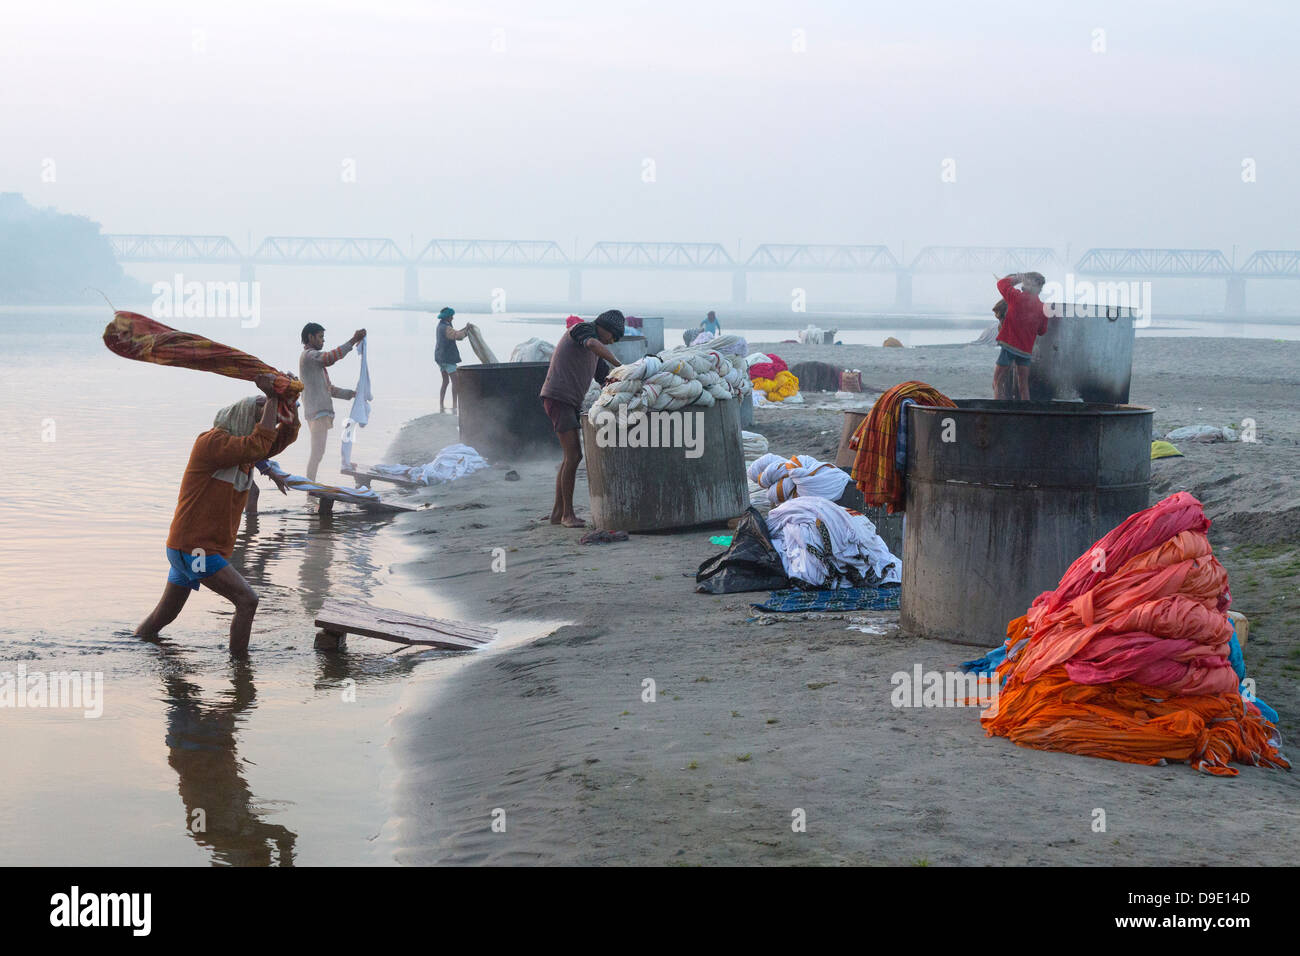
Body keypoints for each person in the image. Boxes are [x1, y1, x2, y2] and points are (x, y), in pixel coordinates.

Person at [135, 376, 301, 655]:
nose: (267, 420)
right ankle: (240, 673)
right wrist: (271, 398)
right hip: (196, 550)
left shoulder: (244, 450)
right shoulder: (212, 443)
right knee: (247, 600)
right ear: (245, 417)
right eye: (261, 412)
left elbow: (281, 438)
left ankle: (133, 644)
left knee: (162, 617)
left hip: (187, 547)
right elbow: (260, 444)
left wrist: (288, 402)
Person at [539, 309, 624, 527]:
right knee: (574, 455)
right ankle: (568, 514)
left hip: (569, 401)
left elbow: (605, 379)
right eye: (612, 337)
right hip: (559, 397)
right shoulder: (582, 330)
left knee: (570, 457)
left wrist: (627, 379)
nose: (611, 342)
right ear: (604, 328)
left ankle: (558, 514)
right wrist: (620, 365)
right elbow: (592, 344)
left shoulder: (595, 351)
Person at [298, 322, 364, 482]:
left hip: (318, 413)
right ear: (310, 337)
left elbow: (329, 389)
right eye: (320, 337)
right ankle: (310, 490)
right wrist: (353, 340)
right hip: (316, 414)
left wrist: (351, 394)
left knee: (318, 453)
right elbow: (329, 358)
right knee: (317, 454)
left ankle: (311, 488)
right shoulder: (309, 356)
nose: (323, 341)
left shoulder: (313, 360)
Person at [993, 272, 1049, 401]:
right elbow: (1042, 331)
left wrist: (1018, 277)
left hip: (1009, 346)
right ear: (1040, 288)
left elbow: (1001, 283)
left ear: (1026, 284)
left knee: (997, 382)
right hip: (1026, 351)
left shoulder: (1016, 297)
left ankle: (997, 410)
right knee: (1023, 386)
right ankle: (1026, 413)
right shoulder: (1042, 307)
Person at [435, 306, 471, 413]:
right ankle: (455, 405)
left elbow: (456, 333)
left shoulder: (441, 325)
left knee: (445, 381)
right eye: (452, 316)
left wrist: (465, 329)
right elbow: (458, 336)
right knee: (456, 382)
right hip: (447, 359)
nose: (453, 318)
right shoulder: (446, 328)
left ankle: (441, 405)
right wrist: (467, 331)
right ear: (448, 317)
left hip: (440, 358)